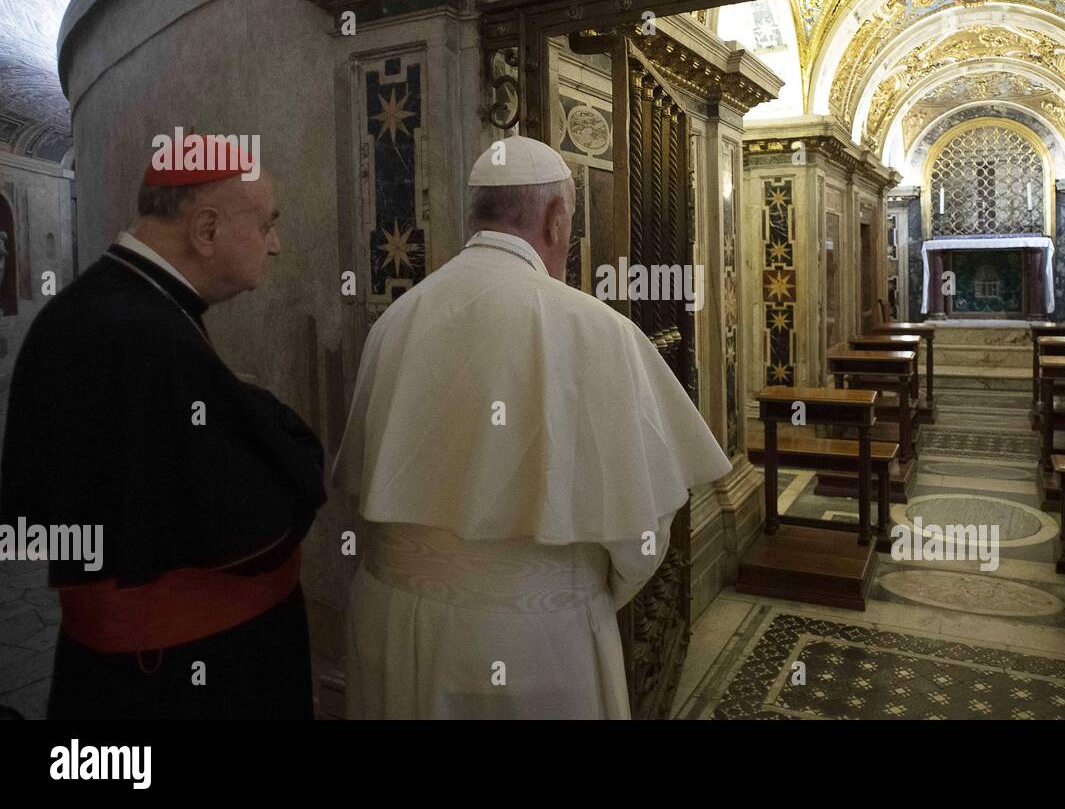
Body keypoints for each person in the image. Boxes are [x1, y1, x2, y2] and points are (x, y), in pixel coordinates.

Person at [335, 136, 730, 719]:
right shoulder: (599, 330)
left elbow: (359, 485)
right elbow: (646, 533)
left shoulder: (394, 321)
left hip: (390, 623)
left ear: (475, 215)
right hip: (533, 638)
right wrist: (577, 593)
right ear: (556, 217)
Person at [0, 136, 325, 719]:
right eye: (267, 224)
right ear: (205, 230)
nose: (274, 246)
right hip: (182, 683)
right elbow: (266, 504)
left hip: (118, 670)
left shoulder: (102, 305)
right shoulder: (146, 333)